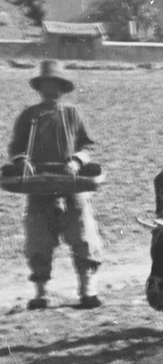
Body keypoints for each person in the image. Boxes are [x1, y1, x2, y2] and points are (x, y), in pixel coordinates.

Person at [7, 60, 103, 309]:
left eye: (57, 85)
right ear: (40, 87)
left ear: (63, 88)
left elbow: (86, 146)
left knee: (83, 236)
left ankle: (87, 289)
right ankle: (41, 293)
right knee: (39, 240)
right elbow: (16, 147)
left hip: (71, 184)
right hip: (39, 187)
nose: (52, 90)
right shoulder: (29, 116)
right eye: (47, 84)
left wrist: (76, 161)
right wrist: (22, 161)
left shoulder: (73, 113)